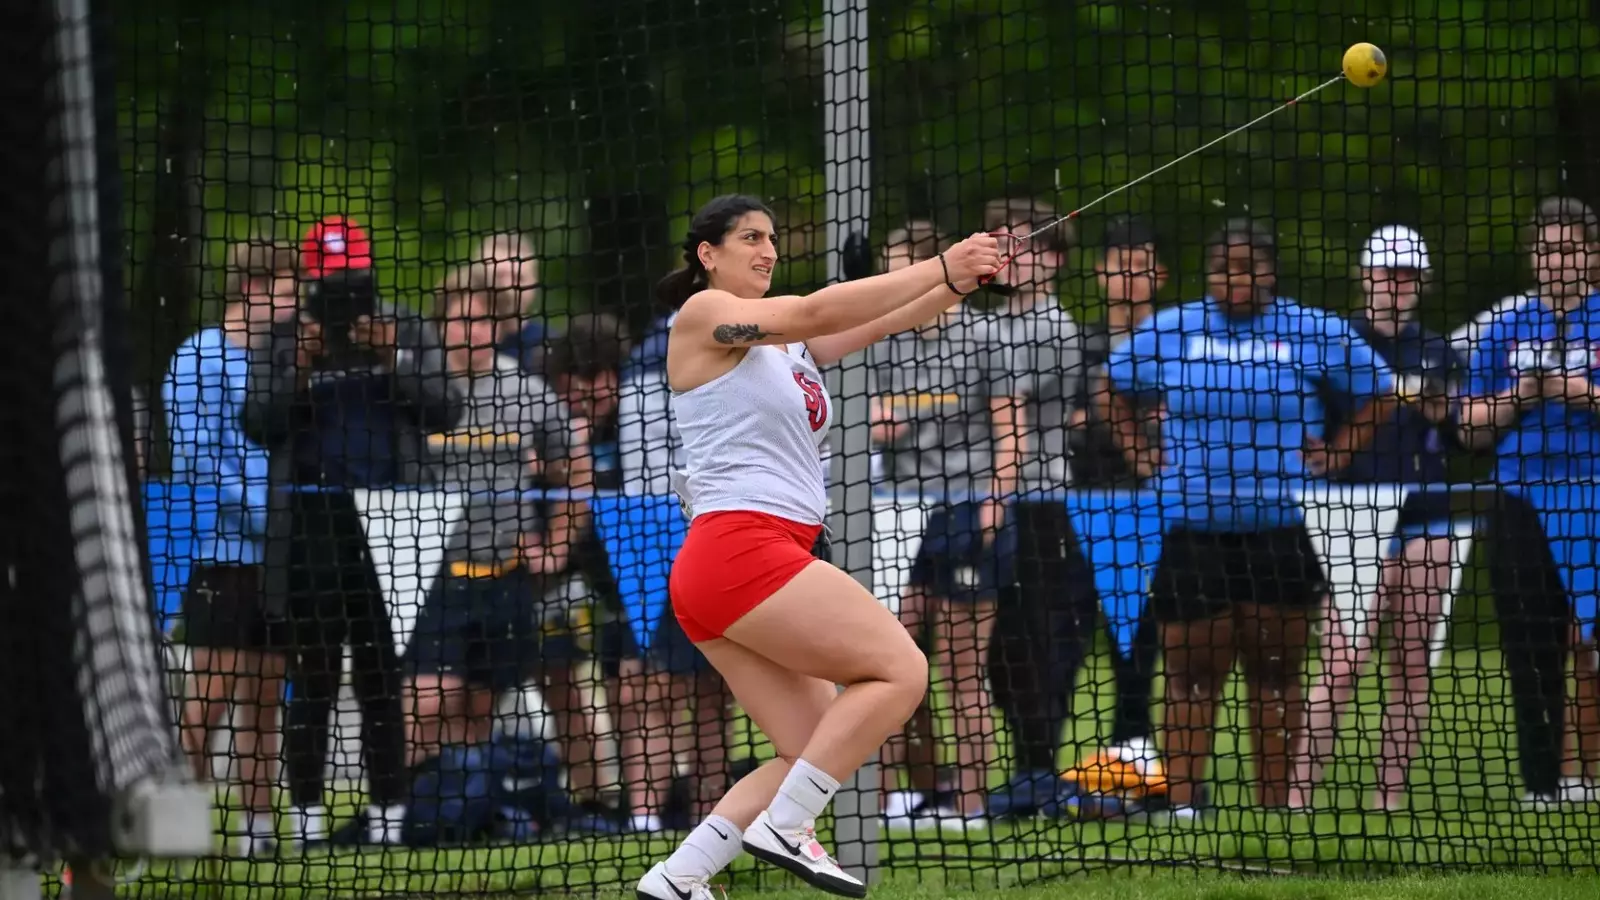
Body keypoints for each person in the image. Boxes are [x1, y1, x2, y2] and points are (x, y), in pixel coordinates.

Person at [634, 194, 999, 900]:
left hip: (733, 564)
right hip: (743, 548)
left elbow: (871, 321)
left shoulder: (782, 345)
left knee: (811, 747)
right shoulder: (707, 313)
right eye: (750, 238)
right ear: (708, 254)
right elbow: (813, 310)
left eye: (771, 238)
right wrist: (941, 261)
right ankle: (788, 825)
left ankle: (679, 879)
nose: (767, 251)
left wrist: (953, 284)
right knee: (901, 672)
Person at [1105, 218, 1401, 817]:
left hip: (1283, 527)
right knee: (1189, 672)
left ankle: (1276, 807)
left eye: (1248, 267)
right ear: (1207, 274)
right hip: (1191, 527)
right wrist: (1141, 455)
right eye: (1222, 269)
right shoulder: (1171, 328)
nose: (1235, 279)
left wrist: (1339, 452)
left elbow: (1382, 390)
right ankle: (1182, 803)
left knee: (1275, 672)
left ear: (1271, 272)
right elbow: (1112, 388)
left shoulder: (1314, 328)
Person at [246, 216, 465, 847]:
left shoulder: (405, 328)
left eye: (354, 282)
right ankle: (308, 820)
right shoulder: (285, 336)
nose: (343, 300)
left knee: (380, 680)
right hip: (312, 526)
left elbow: (444, 408)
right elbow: (259, 422)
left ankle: (389, 819)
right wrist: (303, 369)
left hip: (392, 521)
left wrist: (391, 355)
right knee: (312, 678)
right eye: (331, 284)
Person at [1288, 225, 1468, 811]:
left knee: (1412, 668)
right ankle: (1298, 798)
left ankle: (1387, 800)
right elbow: (1308, 419)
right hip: (1353, 515)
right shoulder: (1334, 342)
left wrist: (1446, 413)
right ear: (1366, 275)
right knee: (1341, 664)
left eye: (1409, 275)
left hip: (1427, 516)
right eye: (1389, 273)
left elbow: (1461, 437)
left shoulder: (1441, 351)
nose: (1398, 284)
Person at [1453, 196, 1600, 806]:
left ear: (1593, 255)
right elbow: (1468, 426)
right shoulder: (1506, 325)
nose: (1556, 261)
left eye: (1569, 249)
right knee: (1528, 641)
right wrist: (1521, 396)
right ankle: (1541, 783)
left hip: (1593, 492)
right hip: (1520, 497)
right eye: (1546, 250)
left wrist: (1578, 392)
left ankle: (1591, 775)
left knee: (1590, 642)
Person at [165, 238, 298, 856]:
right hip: (223, 554)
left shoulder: (282, 362)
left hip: (278, 559)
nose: (295, 309)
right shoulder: (197, 359)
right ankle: (180, 830)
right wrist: (268, 516)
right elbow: (197, 463)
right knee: (208, 703)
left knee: (266, 701)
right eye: (287, 294)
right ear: (252, 289)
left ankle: (258, 830)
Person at [1057, 216, 1169, 809]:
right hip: (1089, 504)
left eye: (1140, 267)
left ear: (1159, 274)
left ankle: (1141, 745)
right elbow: (1071, 424)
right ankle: (1079, 761)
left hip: (1167, 505)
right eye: (1117, 266)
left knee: (1153, 634)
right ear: (1100, 274)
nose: (1128, 279)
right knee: (1078, 632)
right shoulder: (1081, 343)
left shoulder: (1178, 340)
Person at [865, 219, 966, 829]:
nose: (887, 274)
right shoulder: (879, 335)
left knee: (957, 666)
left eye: (898, 262)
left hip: (963, 505)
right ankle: (884, 799)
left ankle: (967, 804)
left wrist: (995, 499)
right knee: (889, 658)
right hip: (890, 508)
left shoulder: (979, 335)